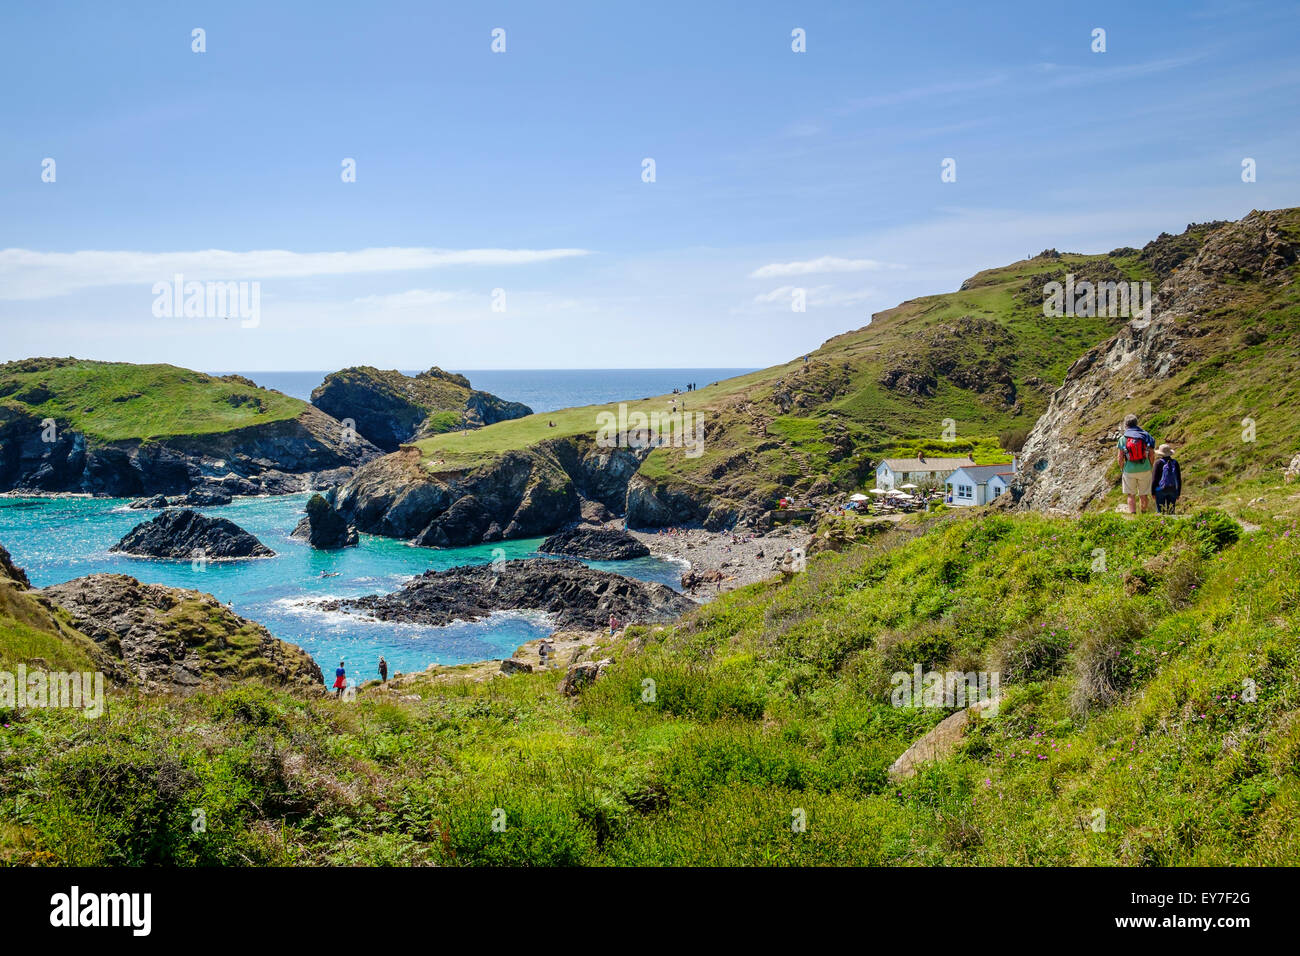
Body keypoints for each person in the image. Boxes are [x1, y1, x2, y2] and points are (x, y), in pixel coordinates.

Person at [1117, 414, 1156, 514]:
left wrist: (1122, 469)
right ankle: (1144, 513)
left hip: (1129, 470)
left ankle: (1133, 514)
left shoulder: (1123, 439)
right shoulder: (1146, 436)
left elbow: (1120, 458)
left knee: (1131, 494)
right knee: (1144, 495)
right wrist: (1150, 466)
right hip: (1145, 468)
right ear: (1136, 423)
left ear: (1126, 425)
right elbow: (1152, 455)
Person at [1152, 443, 1182, 514]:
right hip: (1173, 489)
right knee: (1171, 511)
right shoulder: (1175, 463)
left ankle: (1162, 523)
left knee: (1160, 511)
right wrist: (1178, 493)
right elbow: (1178, 479)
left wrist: (1153, 492)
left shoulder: (1158, 463)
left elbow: (1154, 479)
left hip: (1160, 489)